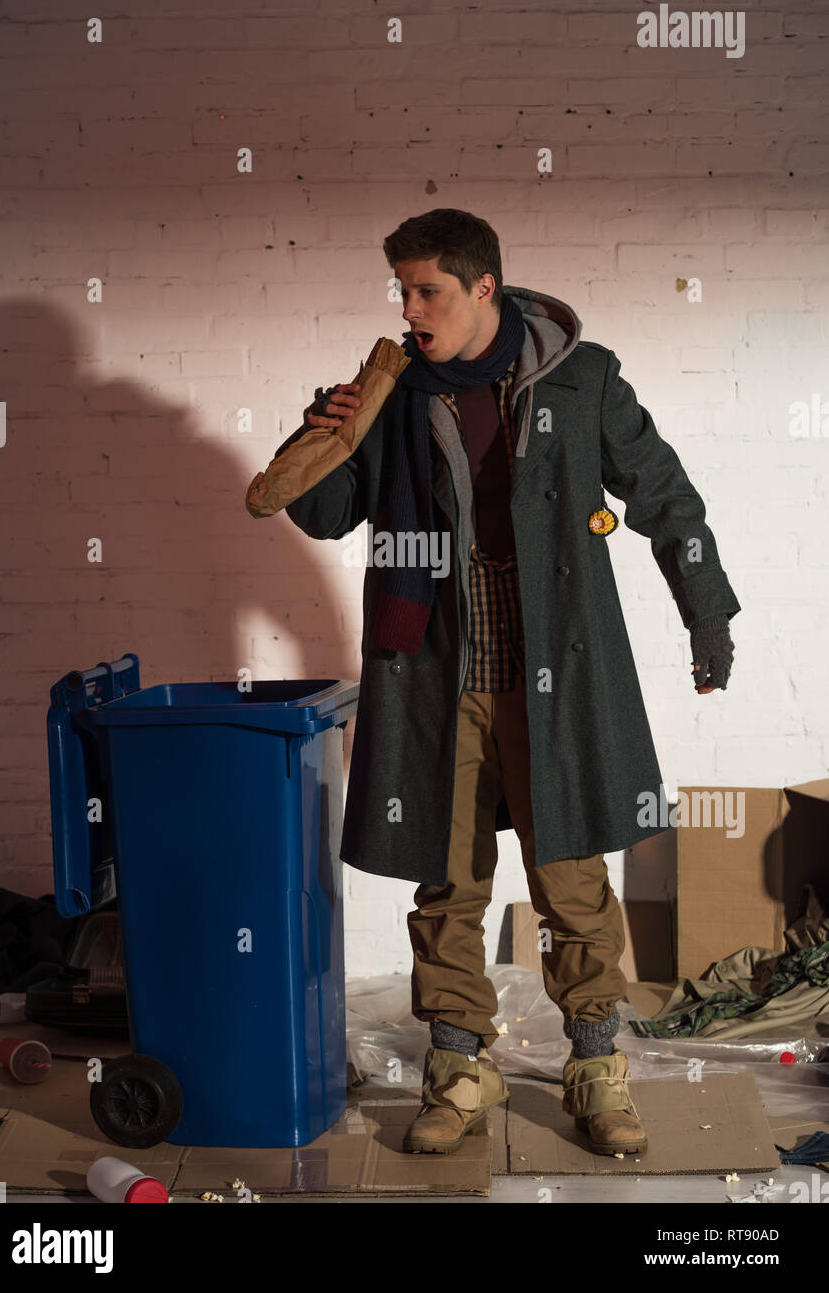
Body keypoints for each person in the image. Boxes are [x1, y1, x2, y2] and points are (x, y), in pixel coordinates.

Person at [277, 208, 739, 1157]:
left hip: (555, 678)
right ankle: (456, 1071)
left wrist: (708, 610)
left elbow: (662, 492)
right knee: (444, 888)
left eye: (426, 290)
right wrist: (320, 428)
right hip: (433, 679)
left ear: (483, 287)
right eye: (400, 291)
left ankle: (596, 1068)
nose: (409, 310)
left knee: (571, 883)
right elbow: (325, 514)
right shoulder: (391, 391)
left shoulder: (582, 375)